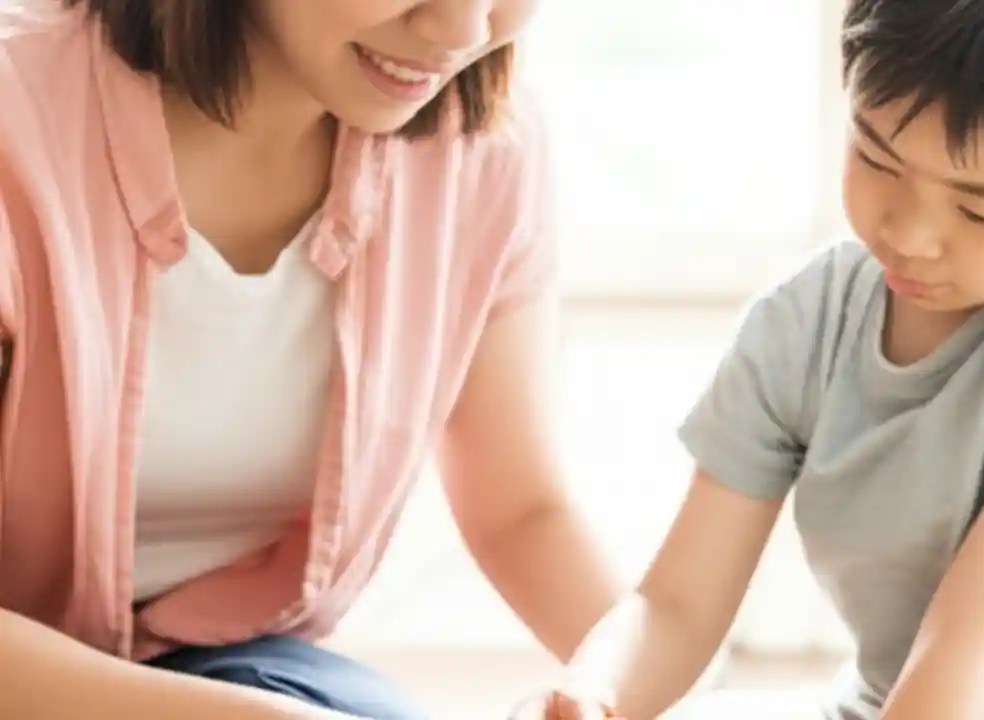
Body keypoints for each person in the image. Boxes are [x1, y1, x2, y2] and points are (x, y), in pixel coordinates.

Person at [529, 0, 984, 718]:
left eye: (981, 210)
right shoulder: (807, 318)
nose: (909, 233)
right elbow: (676, 604)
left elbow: (968, 646)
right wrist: (594, 693)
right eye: (876, 158)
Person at [0, 1, 620, 718]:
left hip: (227, 668)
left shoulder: (480, 153)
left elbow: (523, 512)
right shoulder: (19, 119)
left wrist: (643, 689)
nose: (463, 31)